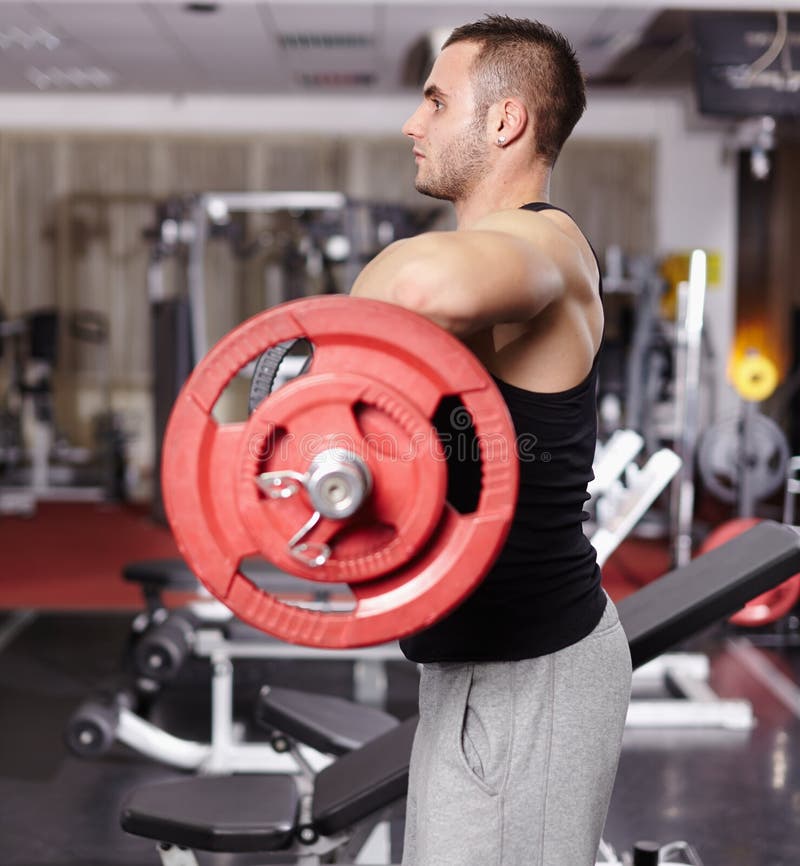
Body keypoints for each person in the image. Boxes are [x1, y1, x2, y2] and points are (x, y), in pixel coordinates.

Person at [350, 15, 632, 866]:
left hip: (528, 679)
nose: (413, 123)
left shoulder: (545, 245)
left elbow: (419, 281)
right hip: (475, 671)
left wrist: (332, 346)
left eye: (436, 100)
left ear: (506, 122)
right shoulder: (489, 258)